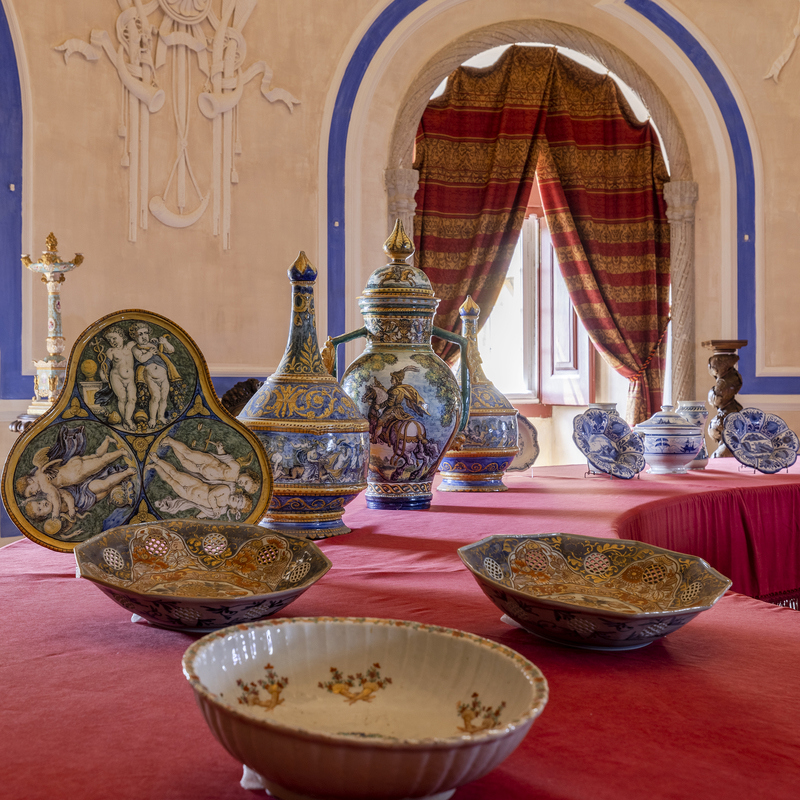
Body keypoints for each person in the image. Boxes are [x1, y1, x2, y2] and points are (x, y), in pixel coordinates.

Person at [16, 426, 135, 525]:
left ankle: (121, 452)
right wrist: (27, 500)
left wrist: (55, 513)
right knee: (97, 457)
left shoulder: (44, 484)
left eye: (31, 491)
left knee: (102, 461)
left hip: (77, 473)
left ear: (30, 481)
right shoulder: (39, 472)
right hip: (72, 465)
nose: (35, 493)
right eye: (32, 495)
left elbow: (55, 495)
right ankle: (107, 440)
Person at [149, 453, 253, 520]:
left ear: (235, 509)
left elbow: (206, 512)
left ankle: (155, 466)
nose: (236, 499)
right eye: (239, 497)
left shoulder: (221, 510)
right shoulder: (226, 490)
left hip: (188, 495)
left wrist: (197, 518)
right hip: (194, 484)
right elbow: (212, 495)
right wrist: (215, 507)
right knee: (174, 473)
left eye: (238, 502)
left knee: (170, 481)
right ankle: (157, 459)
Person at [159, 435, 259, 493]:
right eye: (245, 482)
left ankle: (172, 445)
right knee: (188, 454)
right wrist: (220, 449)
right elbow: (225, 458)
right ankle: (170, 440)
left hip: (201, 471)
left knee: (184, 462)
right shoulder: (236, 467)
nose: (241, 484)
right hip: (208, 461)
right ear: (247, 474)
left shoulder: (232, 483)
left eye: (243, 487)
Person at [130, 322, 178, 428]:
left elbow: (171, 350)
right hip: (150, 377)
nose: (144, 337)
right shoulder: (136, 348)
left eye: (145, 333)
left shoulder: (154, 344)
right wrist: (150, 353)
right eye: (140, 334)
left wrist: (164, 342)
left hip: (164, 376)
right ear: (134, 337)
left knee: (164, 397)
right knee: (155, 397)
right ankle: (152, 419)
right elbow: (141, 359)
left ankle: (160, 416)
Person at [99, 326, 137, 430]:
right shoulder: (111, 351)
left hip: (130, 378)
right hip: (116, 377)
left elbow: (144, 345)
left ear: (121, 336)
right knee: (122, 398)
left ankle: (127, 419)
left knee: (133, 399)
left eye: (114, 338)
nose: (112, 341)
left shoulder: (130, 346)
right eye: (109, 340)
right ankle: (127, 421)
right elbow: (105, 365)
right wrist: (103, 375)